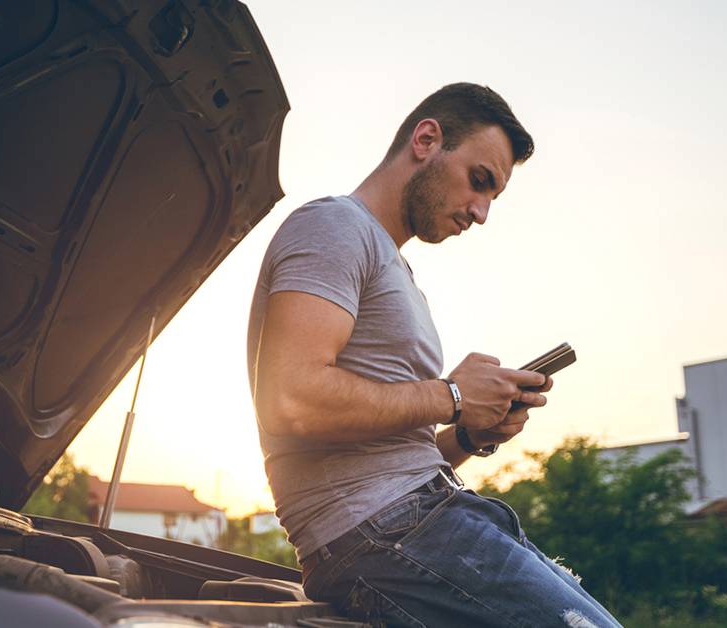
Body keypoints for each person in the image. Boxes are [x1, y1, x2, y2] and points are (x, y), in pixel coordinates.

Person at [246, 83, 621, 627]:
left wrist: (468, 434)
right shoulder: (333, 226)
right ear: (426, 139)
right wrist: (453, 395)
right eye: (479, 181)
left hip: (418, 515)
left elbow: (395, 455)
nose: (482, 211)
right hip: (378, 533)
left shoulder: (397, 271)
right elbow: (291, 401)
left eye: (493, 196)